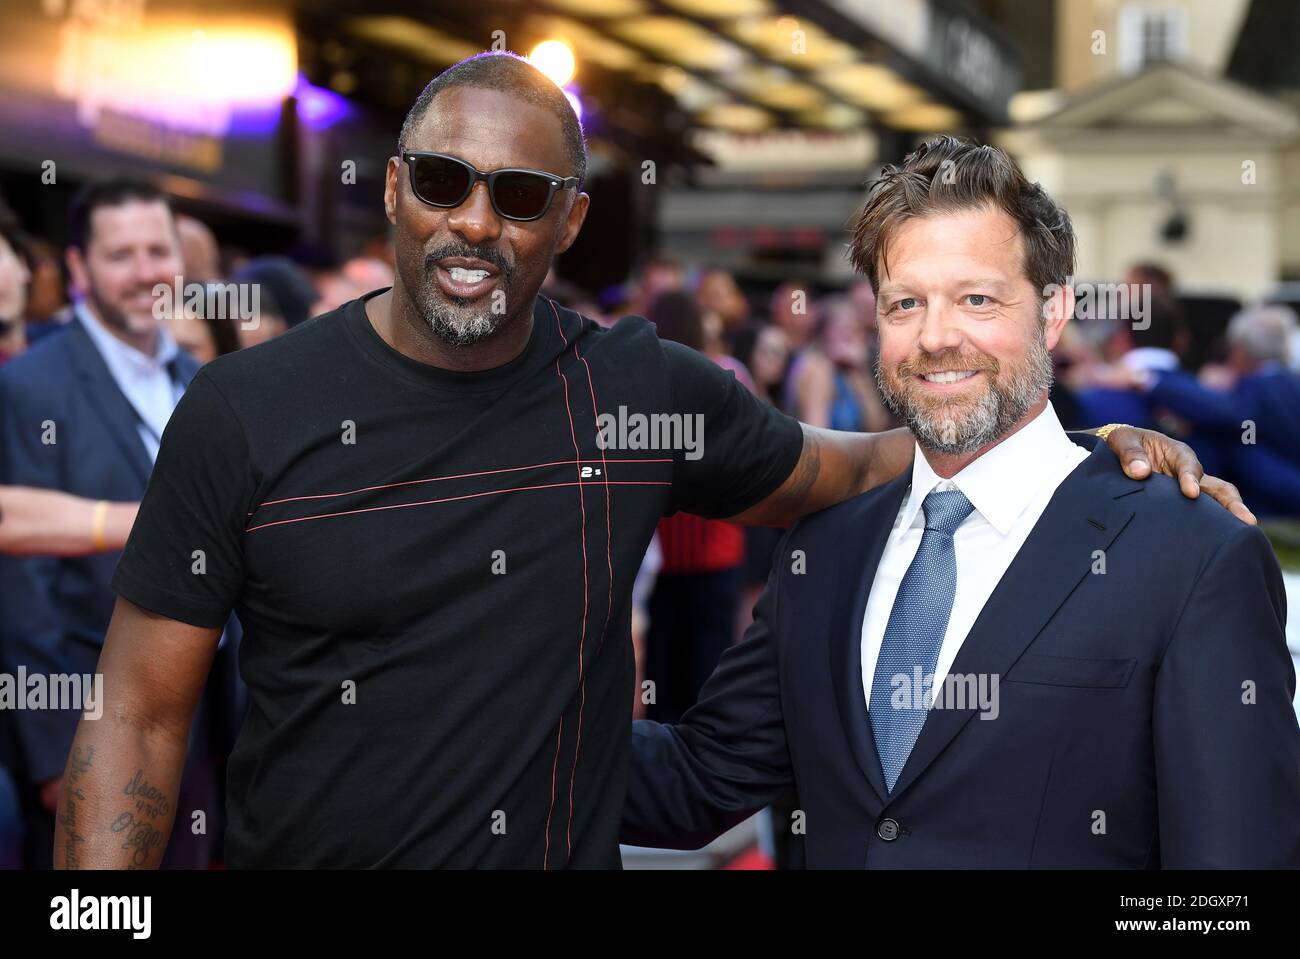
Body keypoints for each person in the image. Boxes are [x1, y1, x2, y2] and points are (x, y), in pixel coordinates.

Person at [56, 55, 1234, 871]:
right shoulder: (244, 408)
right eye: (441, 180)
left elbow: (843, 465)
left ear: (567, 221)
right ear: (396, 189)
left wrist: (1068, 454)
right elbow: (136, 717)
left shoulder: (636, 389)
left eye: (519, 195)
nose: (475, 221)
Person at [622, 136, 1297, 868]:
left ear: (1053, 312)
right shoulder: (828, 547)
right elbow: (695, 783)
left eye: (977, 298)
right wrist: (490, 709)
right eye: (905, 302)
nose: (936, 336)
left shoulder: (1192, 553)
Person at [0, 177, 219, 868]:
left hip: (206, 725)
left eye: (159, 250)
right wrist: (52, 753)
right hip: (93, 729)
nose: (146, 271)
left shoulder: (201, 379)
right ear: (77, 268)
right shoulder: (32, 384)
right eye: (121, 255)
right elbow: (19, 580)